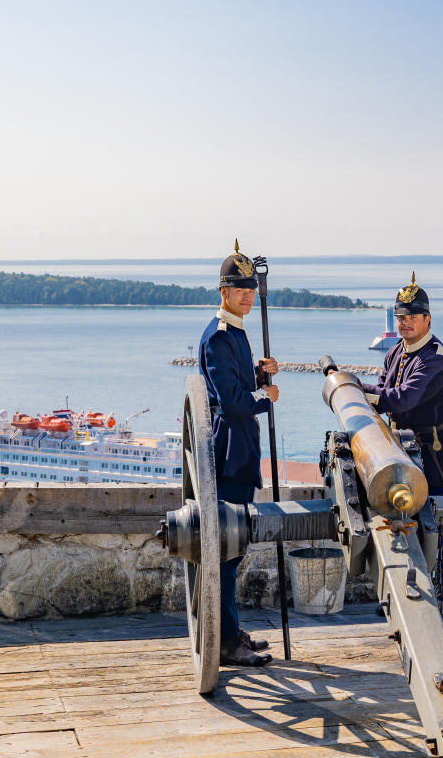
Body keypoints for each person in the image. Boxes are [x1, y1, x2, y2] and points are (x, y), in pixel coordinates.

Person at [361, 273, 443, 641]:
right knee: (400, 528)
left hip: (433, 454)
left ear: (427, 319)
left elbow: (402, 399)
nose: (404, 323)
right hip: (402, 451)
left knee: (432, 533)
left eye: (412, 317)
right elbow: (383, 389)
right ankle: (407, 602)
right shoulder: (396, 352)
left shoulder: (436, 359)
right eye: (400, 316)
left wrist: (358, 387)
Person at [198, 240, 279, 666]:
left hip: (242, 448)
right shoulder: (218, 337)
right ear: (223, 291)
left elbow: (237, 383)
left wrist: (257, 374)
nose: (247, 296)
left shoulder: (236, 331)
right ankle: (226, 641)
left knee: (236, 546)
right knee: (228, 550)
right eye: (239, 289)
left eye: (251, 289)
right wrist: (266, 396)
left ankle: (231, 629)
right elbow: (230, 402)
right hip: (229, 449)